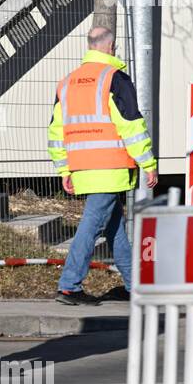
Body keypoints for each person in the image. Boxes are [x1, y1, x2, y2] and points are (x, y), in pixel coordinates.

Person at [48, 27, 156, 305]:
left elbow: (56, 131)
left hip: (82, 167)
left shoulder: (67, 82)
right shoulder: (114, 79)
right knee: (92, 225)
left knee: (114, 227)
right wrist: (148, 162)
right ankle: (69, 285)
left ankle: (136, 286)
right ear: (111, 47)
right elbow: (131, 125)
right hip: (110, 167)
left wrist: (64, 169)